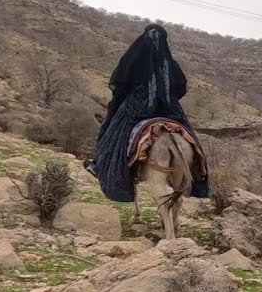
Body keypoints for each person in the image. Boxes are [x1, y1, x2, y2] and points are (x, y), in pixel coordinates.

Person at [86, 24, 208, 202]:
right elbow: (181, 87)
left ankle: (98, 166)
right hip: (168, 109)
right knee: (192, 140)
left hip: (138, 105)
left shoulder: (134, 56)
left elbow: (120, 82)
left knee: (110, 134)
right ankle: (200, 179)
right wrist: (165, 96)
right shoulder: (170, 63)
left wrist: (125, 98)